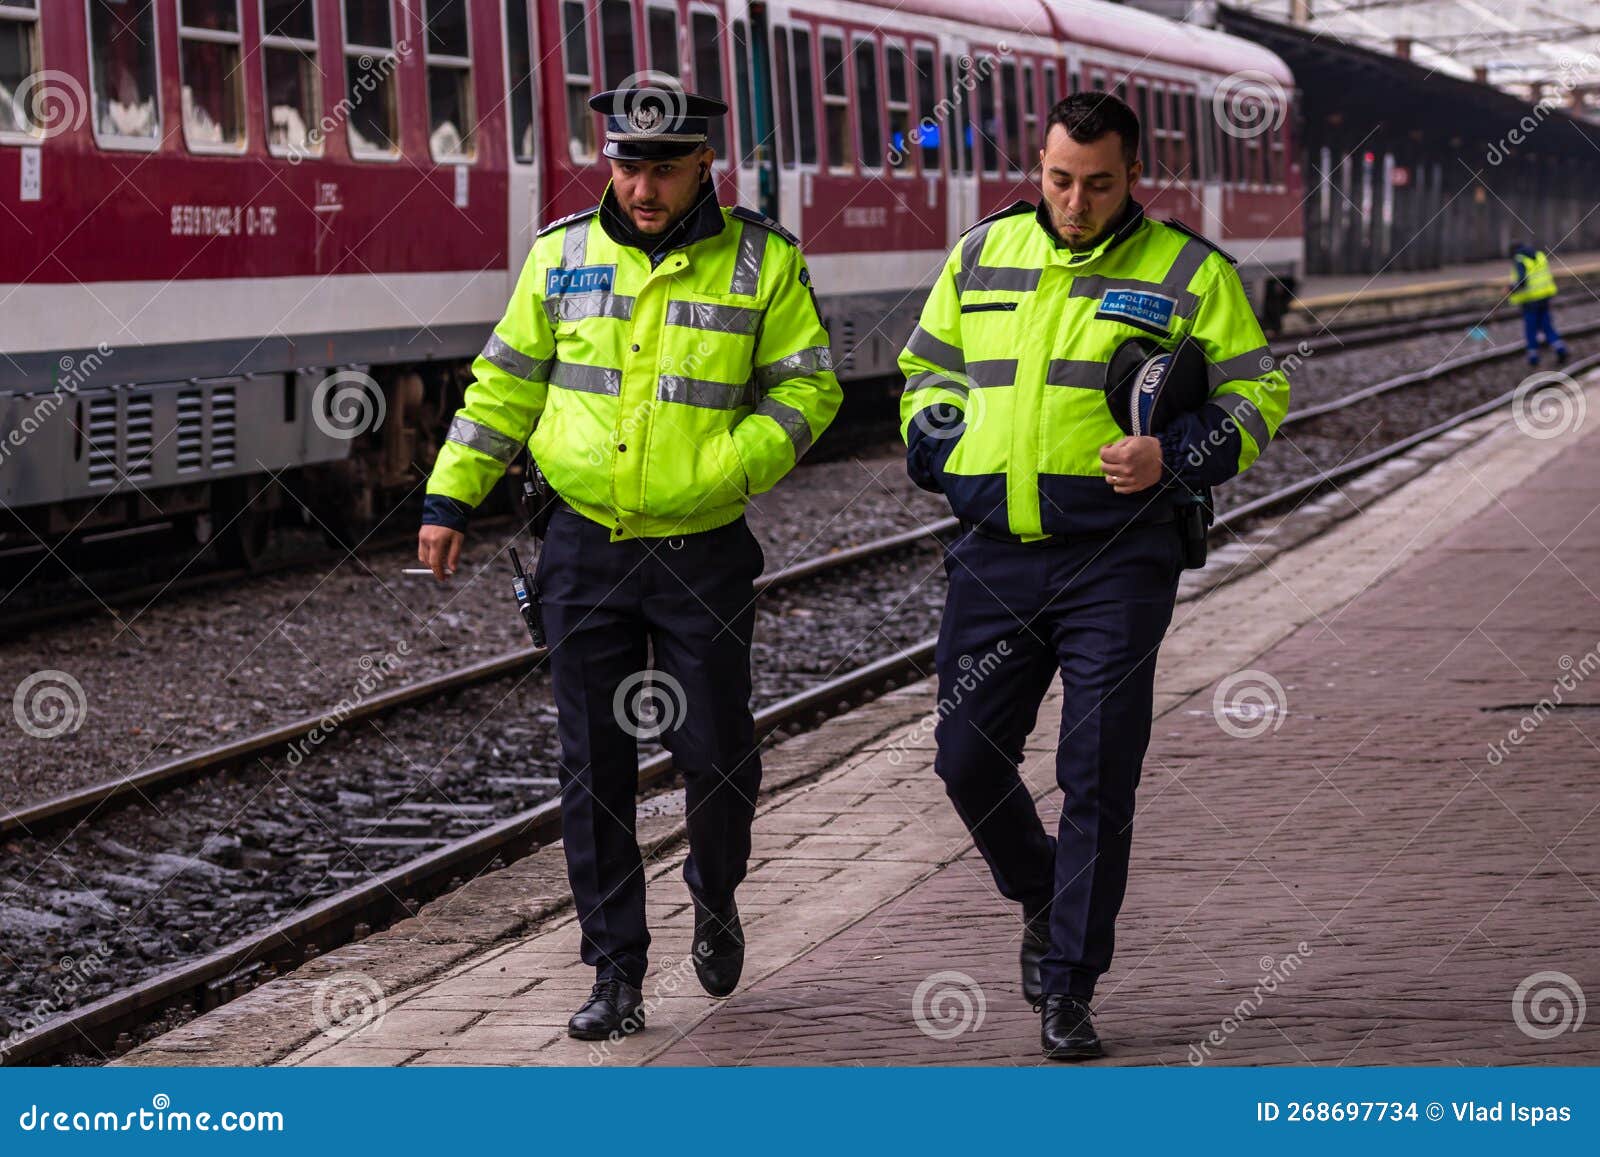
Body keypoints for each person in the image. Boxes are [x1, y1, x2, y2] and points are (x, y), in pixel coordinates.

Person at [418, 80, 841, 1041]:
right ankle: (615, 971)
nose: (642, 188)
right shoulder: (559, 256)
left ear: (703, 167)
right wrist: (451, 496)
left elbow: (807, 390)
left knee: (716, 752)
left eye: (663, 168)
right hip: (584, 548)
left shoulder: (761, 262)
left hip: (702, 551)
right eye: (627, 165)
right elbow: (504, 388)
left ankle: (716, 890)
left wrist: (732, 465)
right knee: (593, 764)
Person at [899, 92, 1290, 1060]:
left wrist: (1178, 457)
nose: (1074, 202)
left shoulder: (1190, 271)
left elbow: (1257, 392)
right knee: (964, 757)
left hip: (1119, 558)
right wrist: (941, 453)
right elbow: (927, 375)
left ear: (1133, 178)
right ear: (1038, 165)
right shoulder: (980, 255)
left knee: (1095, 773)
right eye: (1058, 179)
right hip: (993, 554)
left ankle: (1068, 986)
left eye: (1098, 184)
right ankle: (1041, 889)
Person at [1509, 241, 1568, 367]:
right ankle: (1560, 348)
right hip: (1545, 297)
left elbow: (1522, 282)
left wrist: (1510, 288)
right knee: (1547, 326)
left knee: (1531, 329)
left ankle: (1533, 357)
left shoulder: (1520, 259)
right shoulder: (1539, 255)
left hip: (1530, 300)